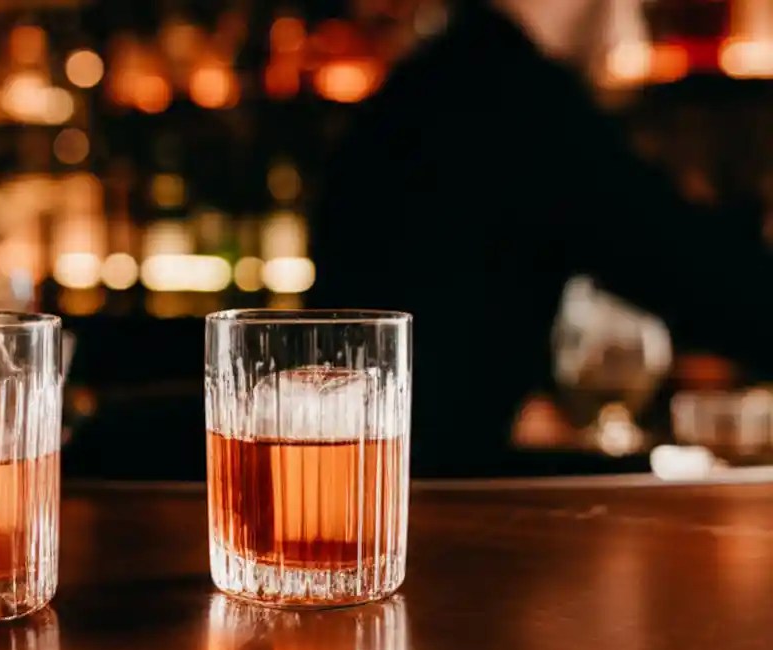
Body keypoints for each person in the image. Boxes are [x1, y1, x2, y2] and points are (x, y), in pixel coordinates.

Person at [309, 0, 773, 475]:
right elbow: (690, 269)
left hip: (370, 469)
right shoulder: (515, 96)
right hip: (441, 479)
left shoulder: (425, 82)